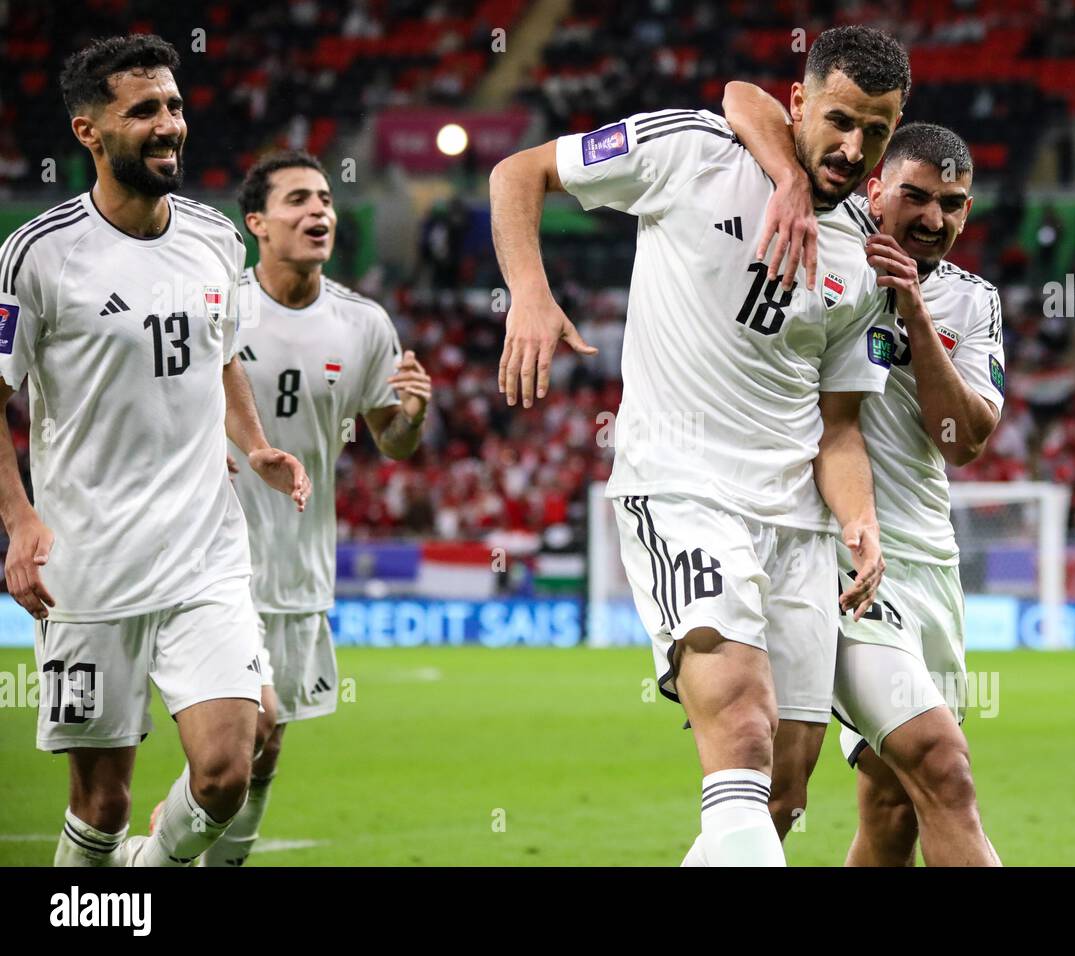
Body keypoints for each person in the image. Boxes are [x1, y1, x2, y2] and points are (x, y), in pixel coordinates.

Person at [490, 25, 914, 865]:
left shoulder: (861, 259)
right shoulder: (692, 149)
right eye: (838, 119)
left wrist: (860, 519)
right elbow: (519, 172)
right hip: (681, 488)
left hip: (797, 526)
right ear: (799, 101)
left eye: (877, 129)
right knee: (744, 733)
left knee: (784, 793)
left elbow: (837, 425)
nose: (853, 146)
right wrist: (529, 295)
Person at [0, 35, 311, 867]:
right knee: (102, 805)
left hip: (203, 551)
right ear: (89, 132)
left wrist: (256, 444)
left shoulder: (215, 238)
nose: (168, 124)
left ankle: (149, 872)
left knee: (225, 771)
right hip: (90, 562)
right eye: (143, 111)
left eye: (173, 106)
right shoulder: (38, 255)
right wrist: (20, 520)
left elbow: (220, 354)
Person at [726, 91, 1006, 866]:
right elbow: (741, 100)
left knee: (893, 805)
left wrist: (914, 310)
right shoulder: (821, 245)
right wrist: (786, 177)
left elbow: (965, 441)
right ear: (876, 186)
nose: (933, 218)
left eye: (951, 205)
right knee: (939, 769)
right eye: (914, 194)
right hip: (835, 556)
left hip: (929, 566)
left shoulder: (971, 300)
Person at [176, 150, 430, 866]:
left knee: (268, 741)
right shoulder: (219, 308)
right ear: (255, 222)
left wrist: (411, 412)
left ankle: (215, 860)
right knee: (246, 726)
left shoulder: (364, 323)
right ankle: (152, 860)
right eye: (297, 200)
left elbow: (395, 445)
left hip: (299, 565)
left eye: (323, 199)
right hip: (207, 555)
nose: (319, 211)